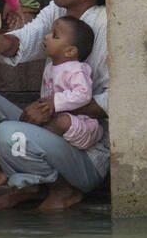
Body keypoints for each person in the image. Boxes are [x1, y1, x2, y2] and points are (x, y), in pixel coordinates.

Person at [0, 0, 109, 212]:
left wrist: (55, 106)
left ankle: (64, 190)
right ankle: (29, 185)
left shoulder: (104, 25)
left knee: (8, 135)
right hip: (49, 128)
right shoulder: (58, 11)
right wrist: (0, 42)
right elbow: (28, 38)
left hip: (87, 153)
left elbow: (112, 101)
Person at [33, 15, 102, 149]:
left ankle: (41, 141)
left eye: (54, 36)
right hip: (57, 119)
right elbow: (46, 94)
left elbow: (83, 94)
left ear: (70, 51)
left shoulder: (77, 69)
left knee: (63, 122)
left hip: (81, 125)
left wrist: (55, 101)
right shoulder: (49, 67)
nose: (47, 37)